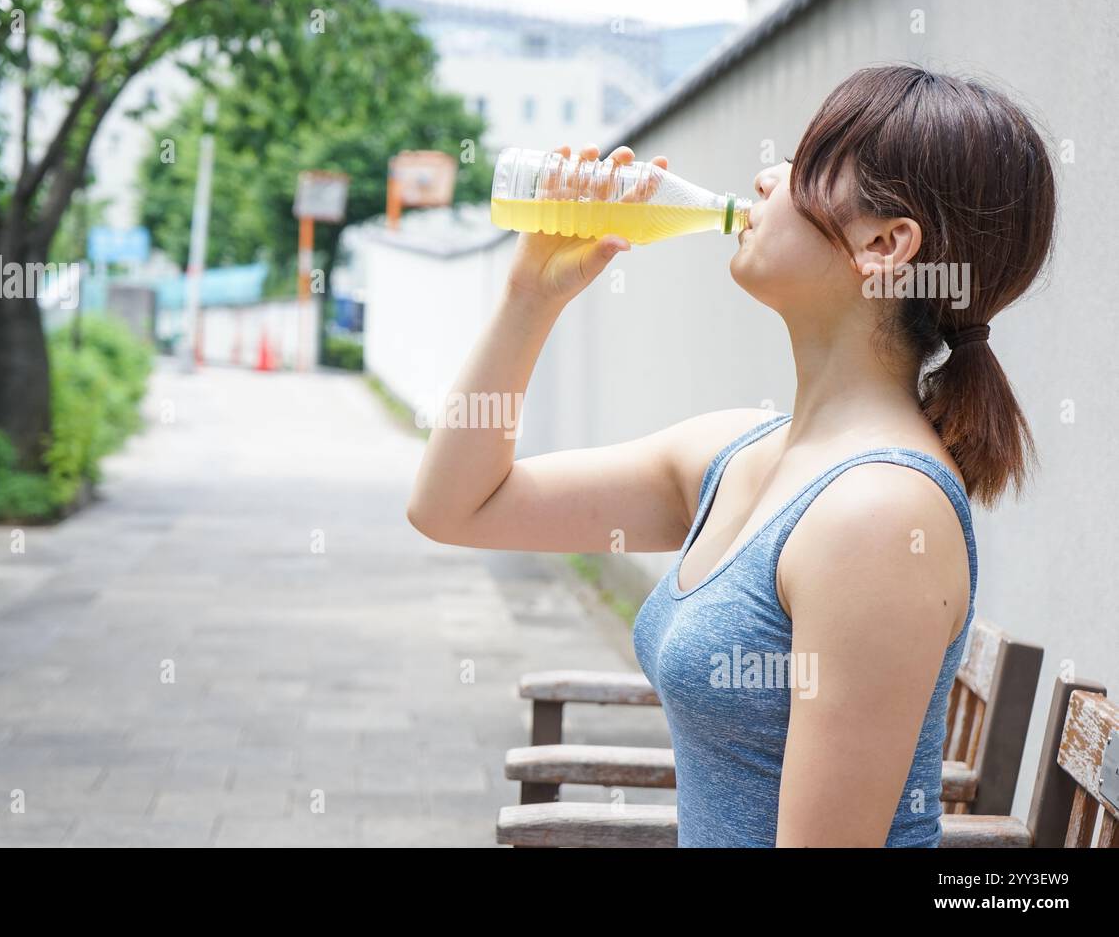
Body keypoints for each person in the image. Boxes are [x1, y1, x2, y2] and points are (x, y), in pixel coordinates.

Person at [405, 65, 1056, 846]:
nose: (765, 177)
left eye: (807, 165)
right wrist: (529, 297)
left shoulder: (879, 517)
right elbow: (455, 506)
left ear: (884, 245)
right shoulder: (736, 453)